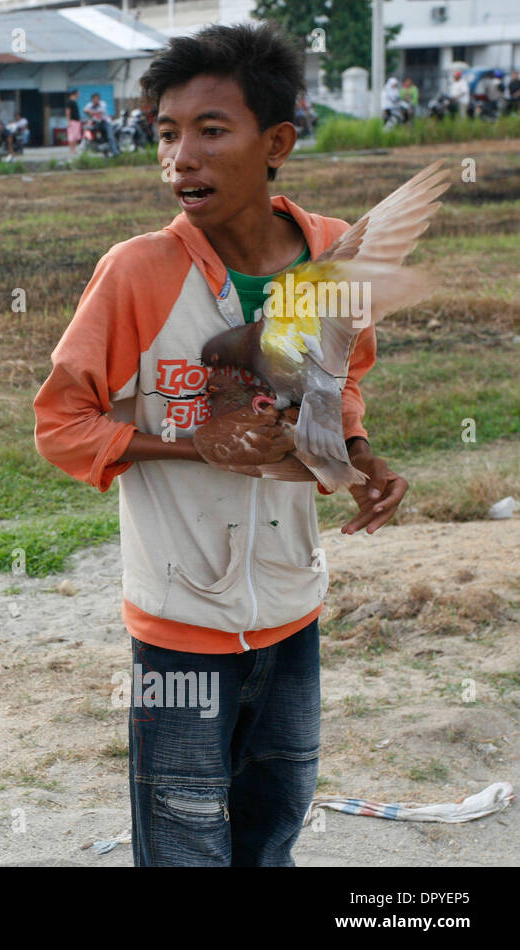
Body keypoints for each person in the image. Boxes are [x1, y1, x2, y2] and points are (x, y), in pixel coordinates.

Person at [33, 22, 407, 867]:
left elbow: (338, 380)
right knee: (184, 837)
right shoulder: (136, 273)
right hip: (178, 617)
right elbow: (61, 426)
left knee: (274, 820)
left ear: (276, 143)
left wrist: (358, 455)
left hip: (291, 605)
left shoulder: (329, 253)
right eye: (166, 134)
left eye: (210, 131)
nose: (181, 159)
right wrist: (193, 443)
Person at [85, 92, 118, 156]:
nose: (96, 100)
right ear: (92, 100)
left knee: (110, 136)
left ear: (99, 99)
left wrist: (90, 112)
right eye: (94, 99)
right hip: (97, 123)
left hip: (105, 122)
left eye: (97, 99)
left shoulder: (102, 103)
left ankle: (115, 152)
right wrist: (89, 111)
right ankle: (99, 149)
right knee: (90, 131)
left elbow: (100, 111)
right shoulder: (90, 104)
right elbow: (84, 110)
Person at [65, 88, 83, 154]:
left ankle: (74, 150)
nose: (79, 95)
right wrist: (68, 121)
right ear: (74, 94)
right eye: (78, 93)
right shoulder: (69, 101)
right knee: (71, 136)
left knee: (76, 136)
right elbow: (67, 111)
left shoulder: (75, 101)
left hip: (77, 121)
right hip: (72, 121)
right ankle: (71, 150)